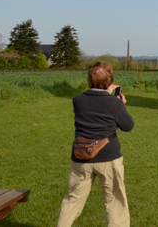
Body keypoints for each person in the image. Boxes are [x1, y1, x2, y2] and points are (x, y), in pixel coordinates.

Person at [57, 62, 135, 227]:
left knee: (73, 201)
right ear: (109, 81)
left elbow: (95, 103)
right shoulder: (114, 103)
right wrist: (120, 104)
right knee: (115, 202)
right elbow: (128, 126)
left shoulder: (78, 100)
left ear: (89, 81)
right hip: (108, 157)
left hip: (81, 157)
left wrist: (107, 94)